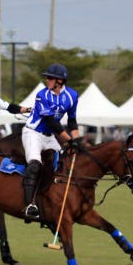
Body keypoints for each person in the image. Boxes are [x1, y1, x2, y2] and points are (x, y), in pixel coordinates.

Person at [21, 63, 81, 219]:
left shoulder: (72, 96)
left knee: (61, 164)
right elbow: (51, 122)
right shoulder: (42, 95)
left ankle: (55, 199)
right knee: (35, 164)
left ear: (60, 81)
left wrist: (76, 139)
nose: (47, 80)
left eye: (50, 78)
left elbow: (72, 121)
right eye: (47, 77)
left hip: (50, 137)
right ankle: (29, 205)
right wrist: (69, 140)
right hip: (33, 133)